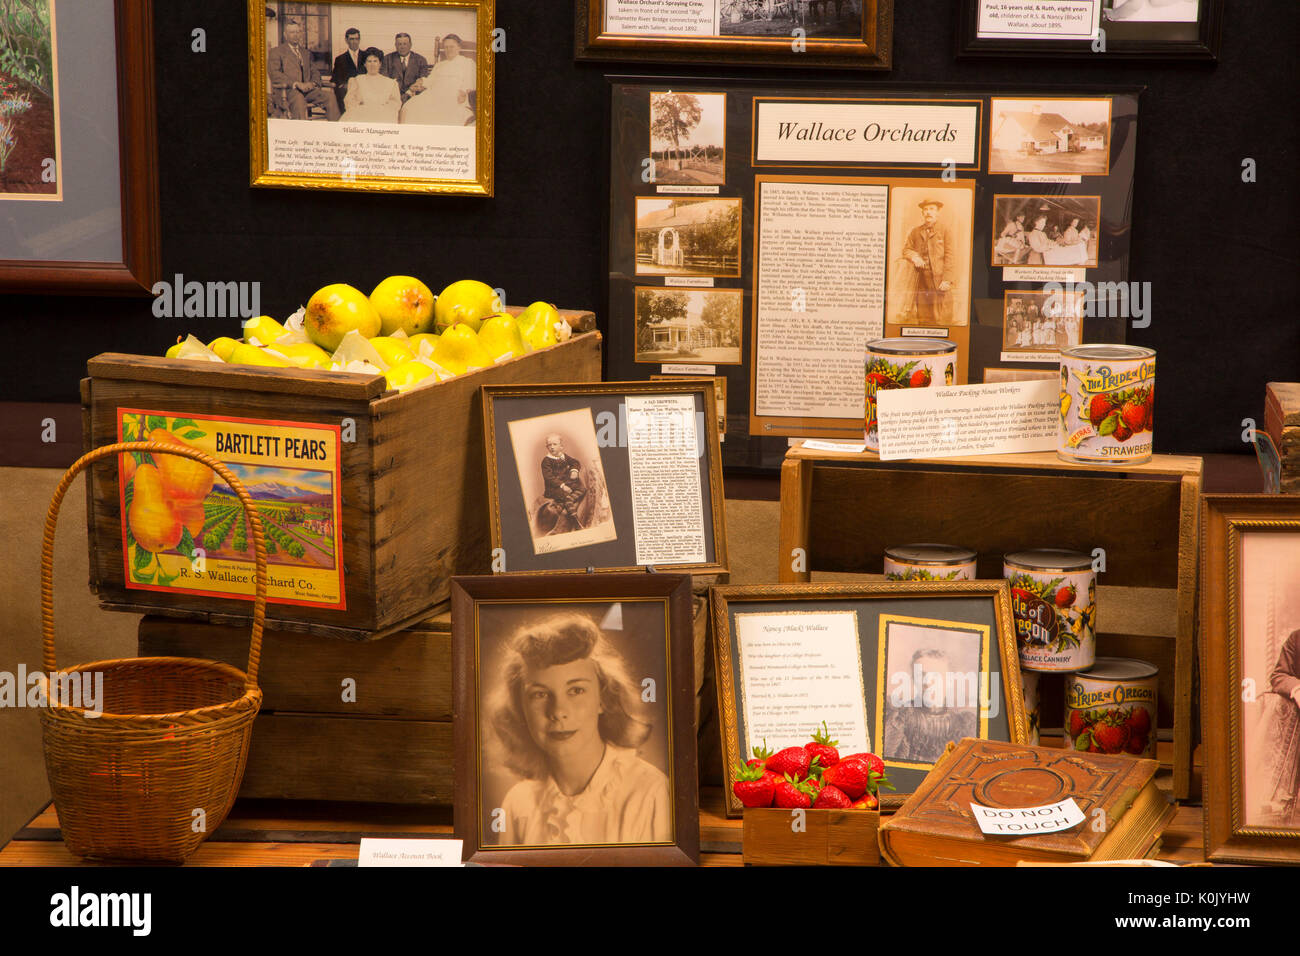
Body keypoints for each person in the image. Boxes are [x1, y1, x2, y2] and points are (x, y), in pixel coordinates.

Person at [488, 613, 672, 846]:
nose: (558, 711)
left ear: (603, 698)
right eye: (540, 694)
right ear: (520, 708)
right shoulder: (518, 802)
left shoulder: (648, 792)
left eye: (576, 690)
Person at [884, 647, 978, 764]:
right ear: (914, 679)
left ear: (949, 680)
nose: (927, 682)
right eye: (921, 675)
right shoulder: (899, 717)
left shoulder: (964, 724)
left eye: (935, 675)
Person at [268, 20, 340, 121]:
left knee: (330, 97)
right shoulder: (277, 52)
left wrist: (313, 83)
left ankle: (334, 130)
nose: (295, 35)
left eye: (297, 32)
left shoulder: (306, 53)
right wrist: (296, 83)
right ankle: (301, 133)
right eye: (292, 32)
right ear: (285, 35)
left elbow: (315, 71)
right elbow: (275, 74)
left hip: (308, 91)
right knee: (299, 99)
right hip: (288, 92)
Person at [399, 34, 476, 126]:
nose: (448, 50)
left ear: (459, 47)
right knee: (411, 106)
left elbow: (470, 80)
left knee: (442, 112)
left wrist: (463, 92)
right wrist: (421, 82)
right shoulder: (440, 65)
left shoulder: (467, 62)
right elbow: (430, 80)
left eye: (452, 47)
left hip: (454, 94)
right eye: (446, 47)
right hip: (434, 92)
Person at [901, 199, 956, 325]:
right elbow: (906, 250)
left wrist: (947, 279)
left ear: (938, 213)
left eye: (931, 209)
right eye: (925, 209)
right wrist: (914, 256)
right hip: (921, 281)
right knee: (923, 317)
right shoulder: (915, 231)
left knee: (941, 319)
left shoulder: (945, 230)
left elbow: (950, 256)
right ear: (922, 213)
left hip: (939, 281)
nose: (928, 212)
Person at [540, 434, 586, 535]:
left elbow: (575, 462)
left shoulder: (563, 456)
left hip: (567, 483)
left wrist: (574, 471)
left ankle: (566, 501)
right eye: (549, 445)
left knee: (582, 488)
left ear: (561, 446)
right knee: (565, 495)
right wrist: (562, 486)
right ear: (547, 447)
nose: (552, 447)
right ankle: (575, 521)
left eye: (554, 444)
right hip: (554, 488)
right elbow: (549, 477)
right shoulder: (546, 461)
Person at [341, 49, 400, 123]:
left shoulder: (390, 82)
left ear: (380, 63)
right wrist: (359, 107)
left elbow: (395, 103)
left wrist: (382, 109)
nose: (372, 64)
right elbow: (349, 100)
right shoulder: (357, 80)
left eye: (375, 61)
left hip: (382, 115)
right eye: (369, 61)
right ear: (365, 64)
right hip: (361, 114)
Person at [383, 33, 429, 102]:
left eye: (405, 44)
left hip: (414, 98)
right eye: (399, 44)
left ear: (410, 45)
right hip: (392, 98)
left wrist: (409, 93)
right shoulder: (387, 59)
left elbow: (422, 82)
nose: (402, 47)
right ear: (395, 45)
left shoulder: (420, 60)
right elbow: (385, 82)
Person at [330, 27, 365, 114]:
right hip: (348, 91)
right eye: (351, 39)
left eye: (357, 39)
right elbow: (335, 78)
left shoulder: (366, 56)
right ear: (346, 40)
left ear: (359, 40)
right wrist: (344, 84)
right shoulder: (340, 59)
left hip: (364, 89)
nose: (354, 42)